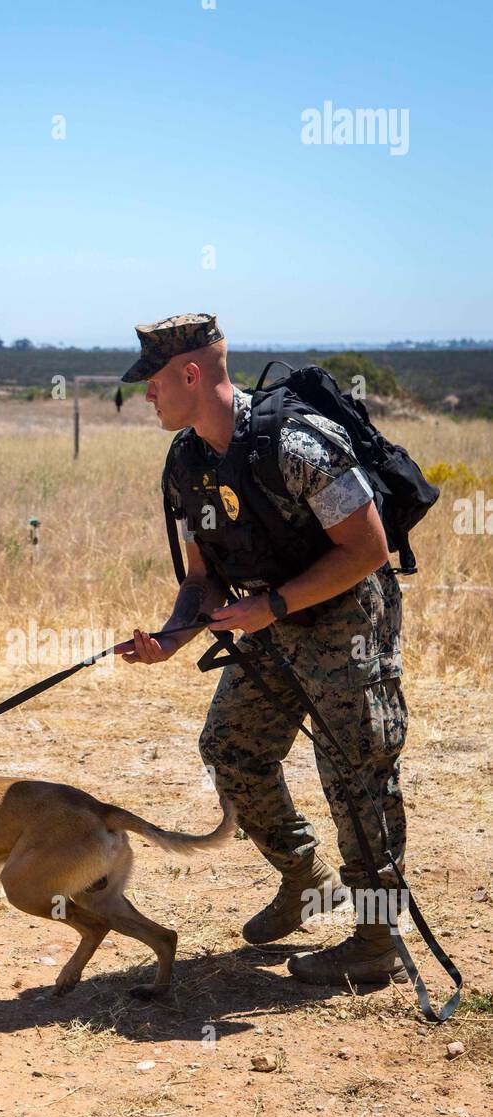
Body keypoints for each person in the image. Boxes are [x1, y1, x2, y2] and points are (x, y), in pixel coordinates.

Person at [118, 312, 408, 986]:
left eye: (155, 382)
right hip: (268, 626)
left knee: (356, 776)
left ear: (191, 373)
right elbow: (201, 578)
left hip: (345, 622)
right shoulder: (186, 462)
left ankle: (373, 940)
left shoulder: (298, 443)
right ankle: (307, 879)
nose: (148, 396)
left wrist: (271, 606)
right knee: (232, 749)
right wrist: (170, 638)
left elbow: (368, 550)